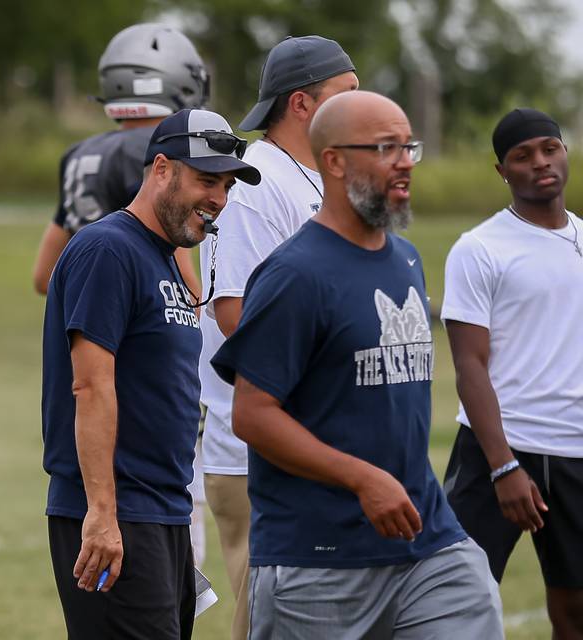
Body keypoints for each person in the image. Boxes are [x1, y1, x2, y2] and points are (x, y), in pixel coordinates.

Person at [211, 90, 503, 639]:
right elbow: (251, 414)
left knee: (476, 602)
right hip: (317, 560)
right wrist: (362, 478)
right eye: (384, 147)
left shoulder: (407, 259)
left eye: (408, 147)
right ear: (335, 161)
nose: (404, 162)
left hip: (427, 543)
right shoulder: (294, 275)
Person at [41, 108, 260, 640]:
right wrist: (102, 513)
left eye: (227, 186)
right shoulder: (107, 249)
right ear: (161, 169)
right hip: (116, 514)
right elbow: (90, 386)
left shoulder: (161, 255)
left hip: (162, 509)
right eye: (207, 180)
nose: (219, 199)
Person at [197, 34, 358, 640]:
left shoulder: (314, 178)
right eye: (345, 95)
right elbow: (233, 309)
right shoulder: (259, 182)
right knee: (272, 622)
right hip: (256, 449)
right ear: (300, 104)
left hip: (307, 435)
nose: (359, 107)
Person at [442, 108, 583, 638]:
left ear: (564, 152)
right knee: (454, 605)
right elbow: (469, 365)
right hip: (498, 449)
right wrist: (503, 467)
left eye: (549, 148)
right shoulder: (479, 250)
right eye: (523, 156)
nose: (540, 163)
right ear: (502, 171)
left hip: (575, 454)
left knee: (574, 612)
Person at [31, 22, 208, 296]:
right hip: (144, 324)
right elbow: (181, 287)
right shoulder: (156, 150)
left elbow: (44, 278)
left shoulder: (78, 153)